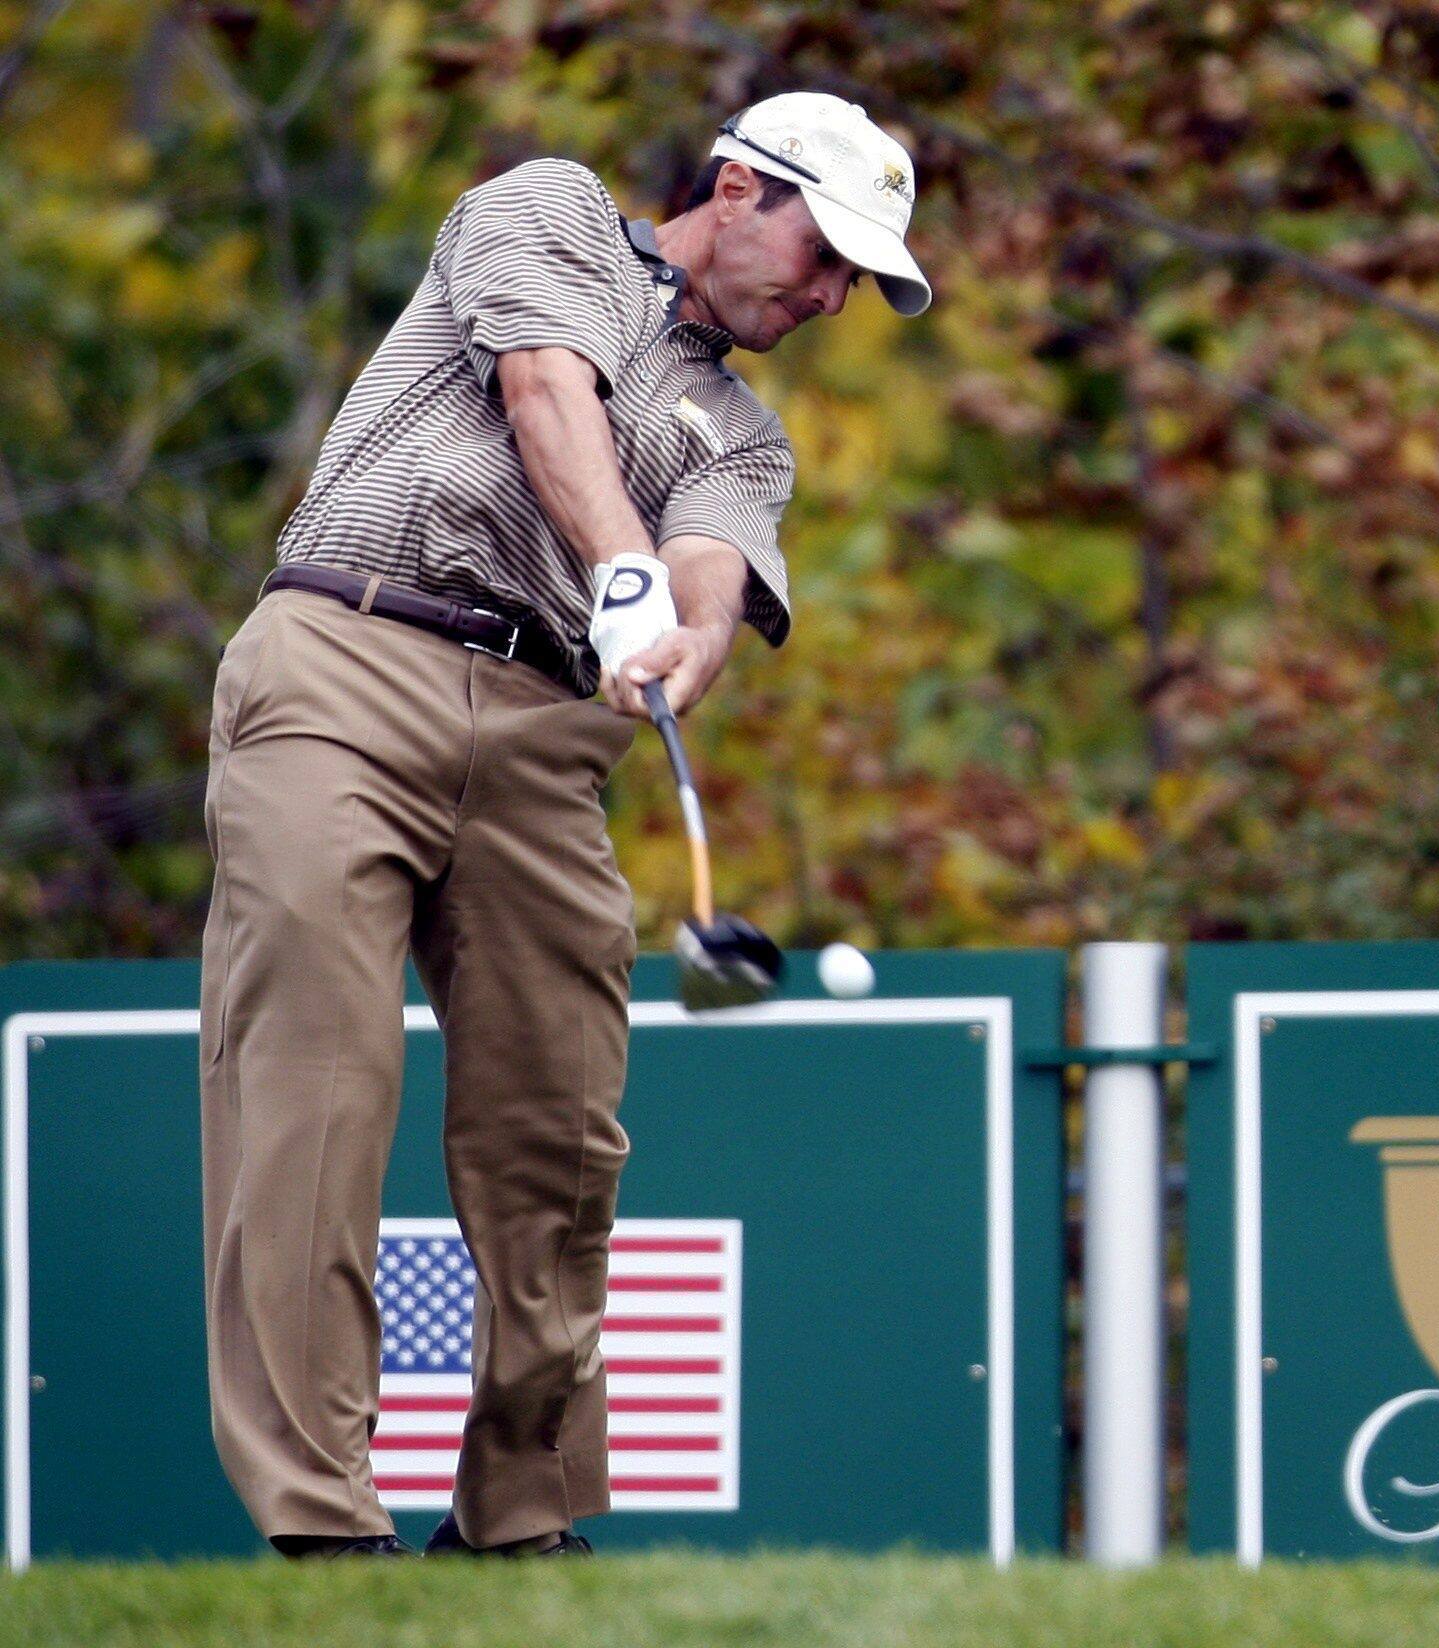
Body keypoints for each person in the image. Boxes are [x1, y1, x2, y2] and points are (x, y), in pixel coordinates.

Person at [197, 91, 930, 1558]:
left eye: (860, 275)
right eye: (825, 249)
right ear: (735, 187)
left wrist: (684, 636)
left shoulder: (743, 431)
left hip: (550, 744)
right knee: (317, 1094)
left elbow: (713, 567)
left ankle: (519, 1525)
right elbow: (545, 389)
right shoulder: (548, 212)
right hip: (348, 664)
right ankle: (325, 1528)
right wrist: (622, 571)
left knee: (558, 1140)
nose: (832, 291)